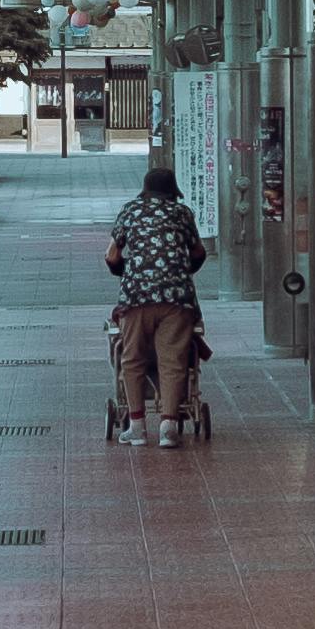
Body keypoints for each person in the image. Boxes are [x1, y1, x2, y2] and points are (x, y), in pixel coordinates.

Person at [106, 157, 210, 442]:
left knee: (132, 358)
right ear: (173, 192)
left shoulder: (130, 211)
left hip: (136, 296)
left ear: (145, 190)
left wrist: (126, 273)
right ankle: (169, 426)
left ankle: (137, 426)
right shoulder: (182, 213)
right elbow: (199, 253)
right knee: (173, 360)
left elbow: (112, 256)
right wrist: (181, 272)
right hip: (177, 299)